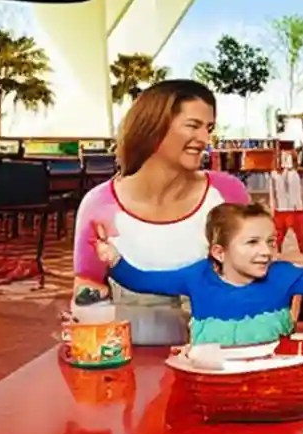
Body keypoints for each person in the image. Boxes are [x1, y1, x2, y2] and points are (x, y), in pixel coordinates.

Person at [71, 80, 251, 345]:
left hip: (220, 361)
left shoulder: (227, 194)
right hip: (131, 368)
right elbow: (87, 303)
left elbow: (255, 282)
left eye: (208, 129)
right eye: (193, 126)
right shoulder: (99, 206)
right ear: (154, 127)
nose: (204, 140)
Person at [93, 202, 303, 346]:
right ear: (220, 253)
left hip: (272, 387)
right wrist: (113, 258)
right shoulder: (198, 277)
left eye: (271, 241)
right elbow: (142, 281)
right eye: (252, 242)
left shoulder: (284, 275)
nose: (266, 251)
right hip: (212, 388)